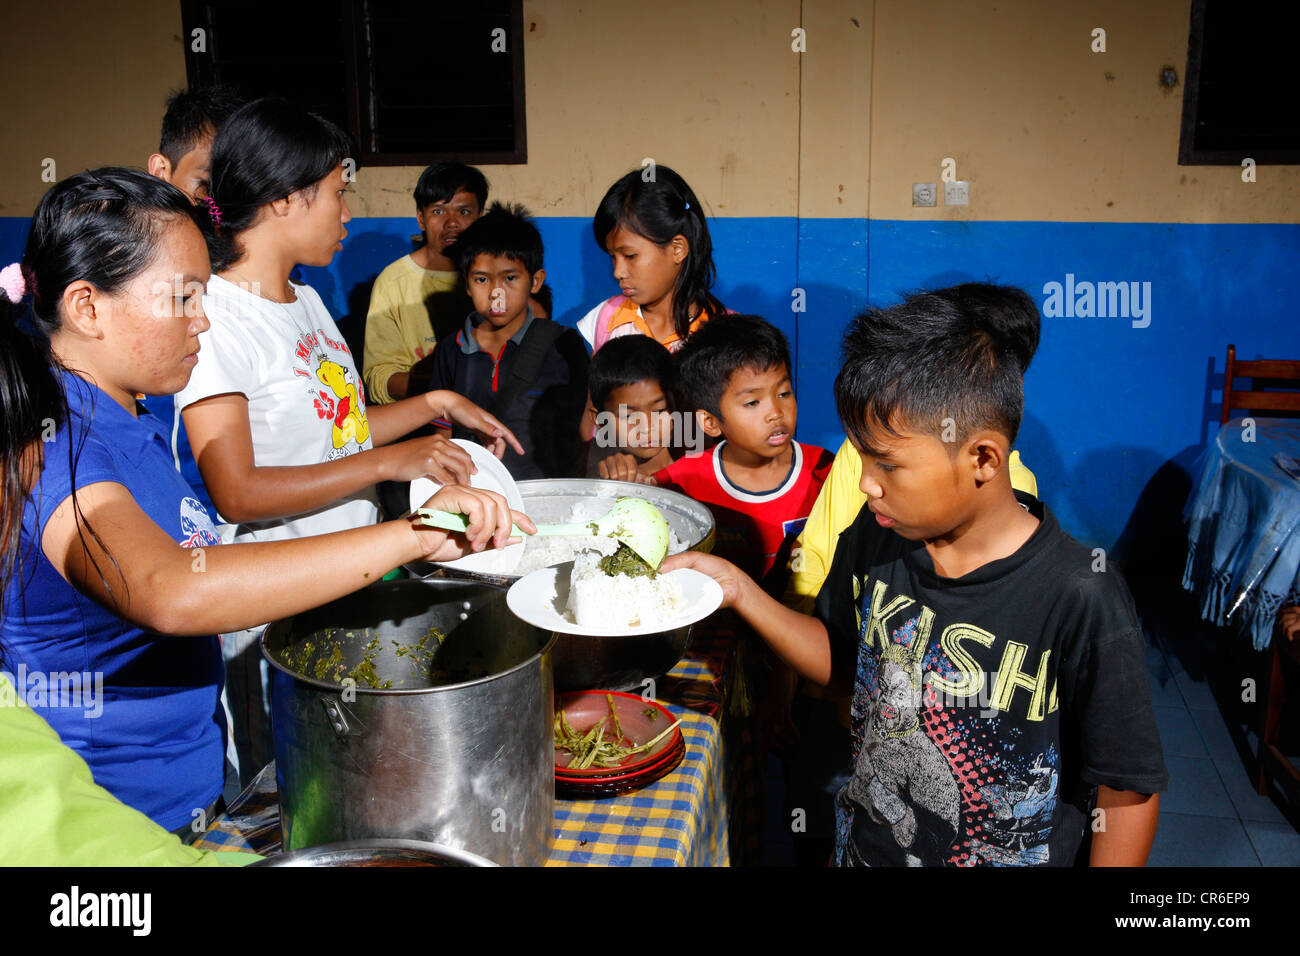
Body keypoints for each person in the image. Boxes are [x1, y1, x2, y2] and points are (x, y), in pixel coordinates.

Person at [0, 167, 529, 835]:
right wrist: (414, 534)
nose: (205, 318)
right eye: (185, 297)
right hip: (107, 822)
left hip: (184, 787)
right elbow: (167, 589)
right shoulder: (52, 445)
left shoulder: (130, 411)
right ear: (86, 307)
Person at [665, 286, 1168, 866]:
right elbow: (840, 662)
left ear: (982, 459)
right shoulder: (878, 539)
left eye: (887, 464)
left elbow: (1126, 793)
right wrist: (740, 590)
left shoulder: (1081, 596)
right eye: (861, 458)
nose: (864, 483)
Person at [174, 98, 524, 787]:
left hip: (345, 574)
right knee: (287, 786)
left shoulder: (301, 300)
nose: (348, 213)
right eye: (338, 194)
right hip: (274, 600)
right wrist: (394, 459)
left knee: (350, 774)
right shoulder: (216, 316)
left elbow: (340, 427)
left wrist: (430, 406)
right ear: (284, 198)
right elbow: (236, 489)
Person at [652, 315, 834, 587]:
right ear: (710, 422)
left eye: (783, 393)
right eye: (752, 402)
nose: (775, 412)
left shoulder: (825, 470)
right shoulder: (677, 486)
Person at [423, 202, 589, 481]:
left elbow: (583, 434)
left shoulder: (565, 345)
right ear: (466, 284)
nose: (496, 293)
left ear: (535, 282)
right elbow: (443, 437)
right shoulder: (451, 350)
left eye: (510, 278)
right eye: (482, 280)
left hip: (548, 497)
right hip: (478, 500)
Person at [143, 85, 246, 522]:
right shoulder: (132, 275)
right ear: (160, 169)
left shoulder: (244, 277)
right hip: (174, 522)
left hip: (225, 525)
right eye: (204, 186)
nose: (217, 210)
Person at [577, 165, 727, 354]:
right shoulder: (606, 318)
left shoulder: (724, 336)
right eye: (613, 257)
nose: (618, 272)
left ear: (677, 249)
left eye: (630, 256)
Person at [585, 335, 681, 481]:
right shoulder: (601, 479)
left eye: (660, 410)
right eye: (628, 416)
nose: (647, 427)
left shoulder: (705, 467)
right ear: (600, 419)